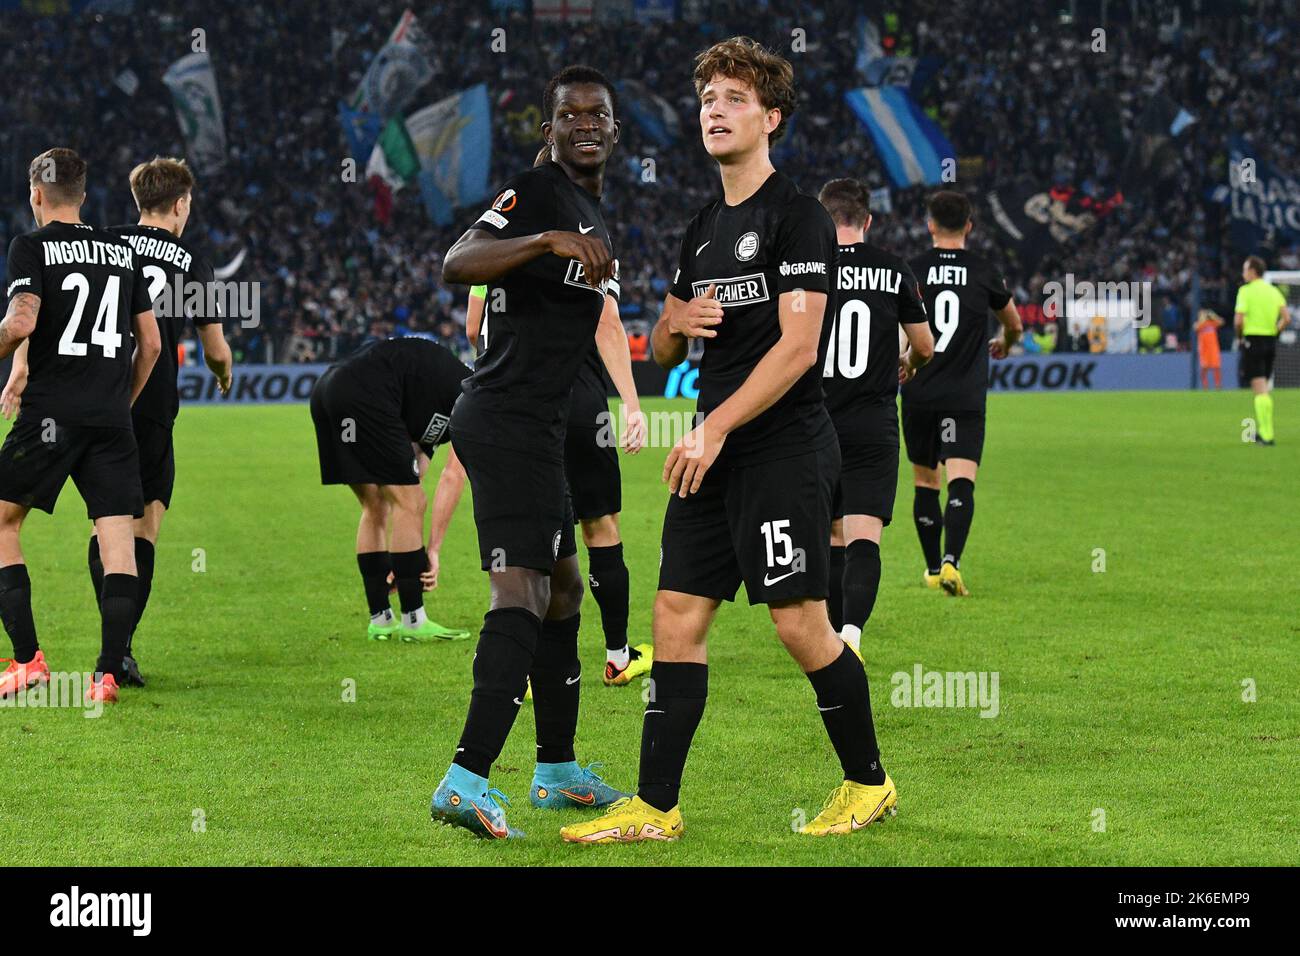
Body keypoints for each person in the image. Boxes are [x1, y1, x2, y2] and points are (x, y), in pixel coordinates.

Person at [563, 37, 896, 844]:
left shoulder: (799, 216)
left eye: (735, 99)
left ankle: (868, 783)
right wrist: (671, 322)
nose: (716, 110)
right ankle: (655, 805)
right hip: (711, 455)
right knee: (675, 615)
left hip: (782, 451)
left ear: (771, 118)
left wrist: (710, 426)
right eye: (709, 98)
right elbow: (664, 344)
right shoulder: (703, 227)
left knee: (798, 624)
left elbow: (797, 347)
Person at [430, 66, 628, 839]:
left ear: (614, 128)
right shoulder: (540, 194)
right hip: (507, 421)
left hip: (540, 427)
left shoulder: (591, 207)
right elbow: (458, 260)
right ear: (548, 129)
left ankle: (555, 770)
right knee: (521, 597)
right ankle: (465, 779)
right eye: (569, 114)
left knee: (566, 590)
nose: (585, 123)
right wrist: (543, 239)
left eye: (597, 113)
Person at [0, 148, 161, 704]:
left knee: (2, 523)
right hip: (112, 422)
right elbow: (153, 343)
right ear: (84, 195)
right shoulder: (121, 251)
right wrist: (122, 401)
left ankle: (28, 662)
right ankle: (106, 675)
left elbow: (22, 319)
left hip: (50, 416)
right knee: (119, 542)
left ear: (36, 194)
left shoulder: (31, 245)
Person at [816, 178, 933, 654]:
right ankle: (852, 635)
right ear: (867, 221)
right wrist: (910, 362)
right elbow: (925, 345)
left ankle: (828, 638)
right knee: (865, 533)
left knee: (828, 533)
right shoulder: (893, 268)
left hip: (815, 423)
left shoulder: (806, 271)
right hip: (873, 423)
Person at [309, 336, 472, 641]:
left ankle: (380, 619)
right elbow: (452, 475)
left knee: (378, 505)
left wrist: (404, 557)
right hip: (365, 392)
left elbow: (416, 469)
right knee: (411, 503)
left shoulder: (436, 393)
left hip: (328, 389)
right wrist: (431, 551)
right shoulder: (472, 399)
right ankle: (414, 620)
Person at [901, 191, 1021, 597]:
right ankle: (953, 561)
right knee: (961, 482)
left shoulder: (912, 270)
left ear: (930, 225)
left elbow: (906, 334)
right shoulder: (984, 271)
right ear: (969, 225)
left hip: (919, 391)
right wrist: (1005, 340)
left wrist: (906, 360)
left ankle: (932, 567)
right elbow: (1015, 324)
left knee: (924, 483)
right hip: (964, 398)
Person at [1233, 257, 1289, 446]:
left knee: (1259, 388)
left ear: (1253, 271)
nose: (1243, 273)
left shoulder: (1245, 291)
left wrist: (1240, 337)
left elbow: (1239, 321)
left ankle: (1266, 434)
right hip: (1270, 341)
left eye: (1245, 269)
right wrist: (1275, 332)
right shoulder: (1273, 291)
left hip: (1253, 340)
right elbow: (1286, 318)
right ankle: (1264, 431)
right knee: (1264, 385)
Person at [1196, 309, 1224, 390]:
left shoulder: (1212, 324)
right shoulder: (1201, 325)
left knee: (1216, 367)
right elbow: (1196, 327)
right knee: (1204, 369)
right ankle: (1205, 386)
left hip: (1214, 349)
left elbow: (1221, 322)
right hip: (1204, 350)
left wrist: (1213, 315)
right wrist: (1202, 319)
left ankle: (1218, 385)